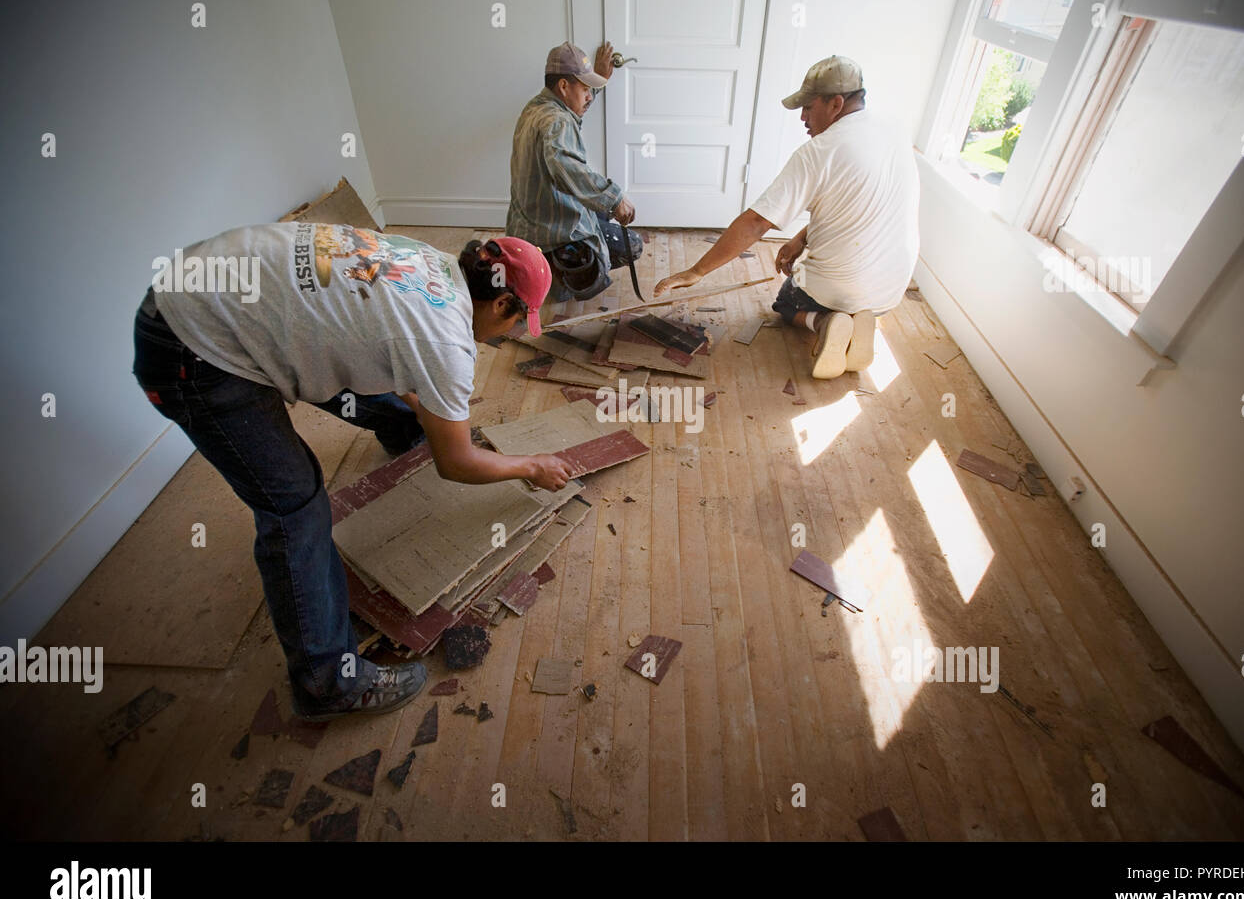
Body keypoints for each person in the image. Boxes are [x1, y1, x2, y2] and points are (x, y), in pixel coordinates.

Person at [132, 223, 573, 720]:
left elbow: (391, 350)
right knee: (294, 504)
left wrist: (433, 412)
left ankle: (406, 435)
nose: (513, 332)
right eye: (518, 322)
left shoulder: (429, 262)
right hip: (194, 351)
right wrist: (530, 465)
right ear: (500, 306)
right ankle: (327, 682)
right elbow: (457, 465)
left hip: (195, 286)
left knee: (369, 368)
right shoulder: (446, 341)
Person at [655, 55, 920, 379]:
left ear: (836, 103)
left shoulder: (819, 151)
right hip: (893, 286)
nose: (803, 117)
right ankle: (862, 320)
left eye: (808, 107)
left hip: (840, 286)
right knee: (845, 277)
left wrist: (696, 271)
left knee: (786, 301)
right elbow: (857, 205)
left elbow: (756, 223)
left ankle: (825, 323)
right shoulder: (894, 128)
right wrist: (800, 237)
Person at [507, 41, 642, 302]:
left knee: (599, 209)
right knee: (632, 244)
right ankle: (558, 277)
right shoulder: (556, 121)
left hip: (528, 224)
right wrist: (615, 198)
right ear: (564, 87)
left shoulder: (537, 108)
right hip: (549, 235)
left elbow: (569, 118)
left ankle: (547, 270)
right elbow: (568, 165)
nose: (589, 96)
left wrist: (598, 81)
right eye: (585, 88)